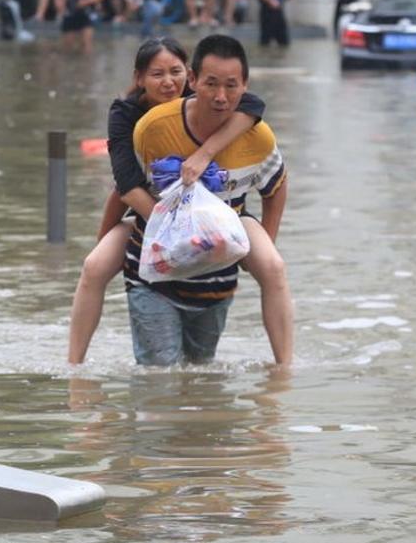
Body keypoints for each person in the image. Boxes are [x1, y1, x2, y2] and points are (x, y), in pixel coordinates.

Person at [67, 36, 294, 366]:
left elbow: (253, 108)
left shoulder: (223, 106)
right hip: (152, 212)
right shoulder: (134, 120)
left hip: (226, 213)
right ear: (139, 78)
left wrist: (205, 153)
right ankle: (74, 366)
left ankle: (284, 369)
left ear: (187, 76)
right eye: (157, 74)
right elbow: (124, 187)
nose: (168, 82)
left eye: (175, 72)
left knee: (273, 266)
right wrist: (174, 224)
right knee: (94, 266)